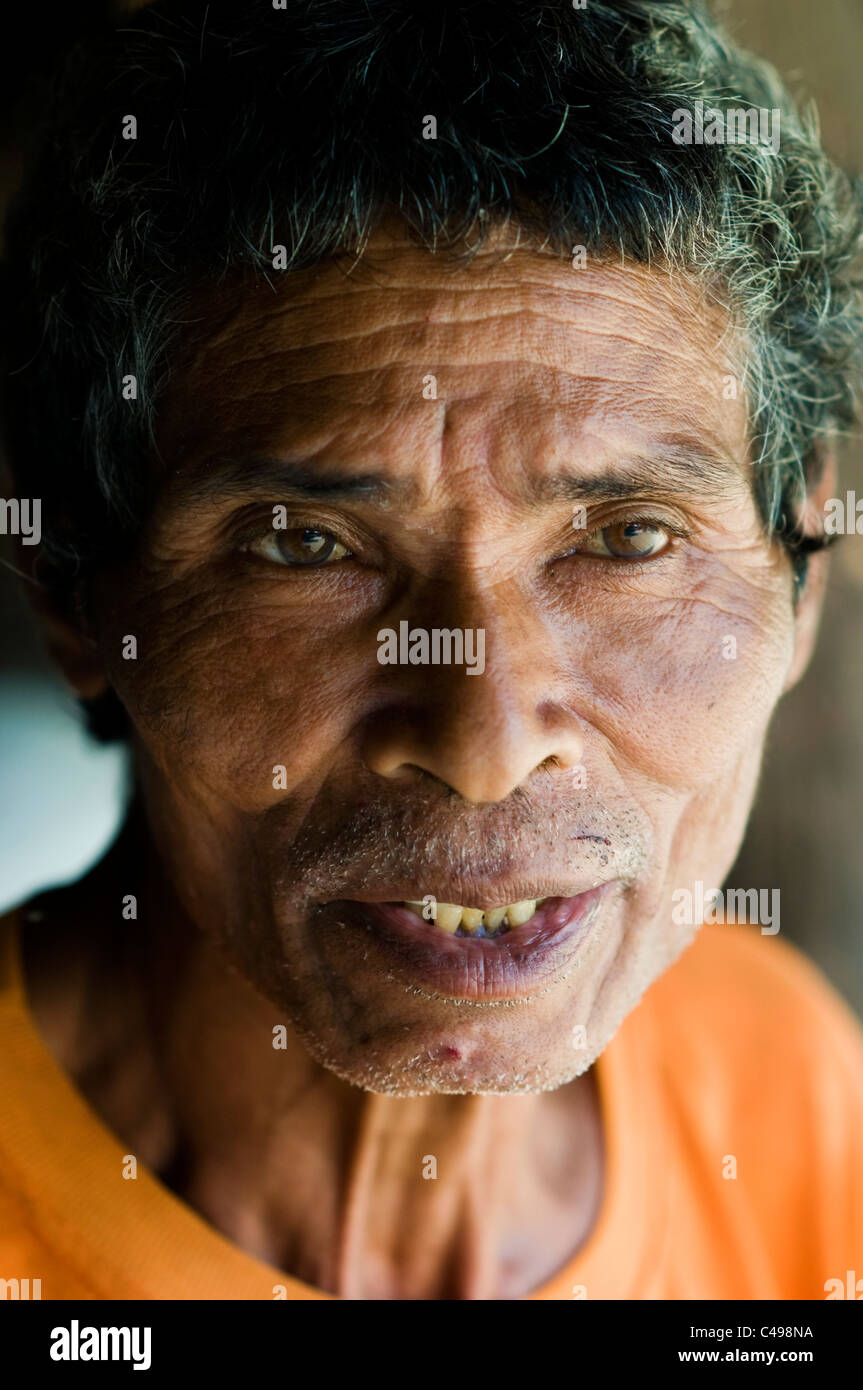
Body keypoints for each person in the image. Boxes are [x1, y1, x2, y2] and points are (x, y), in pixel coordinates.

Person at [1, 0, 862, 1301]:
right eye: (307, 545)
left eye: (626, 537)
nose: (487, 742)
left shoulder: (784, 1086)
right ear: (73, 589)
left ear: (802, 572)